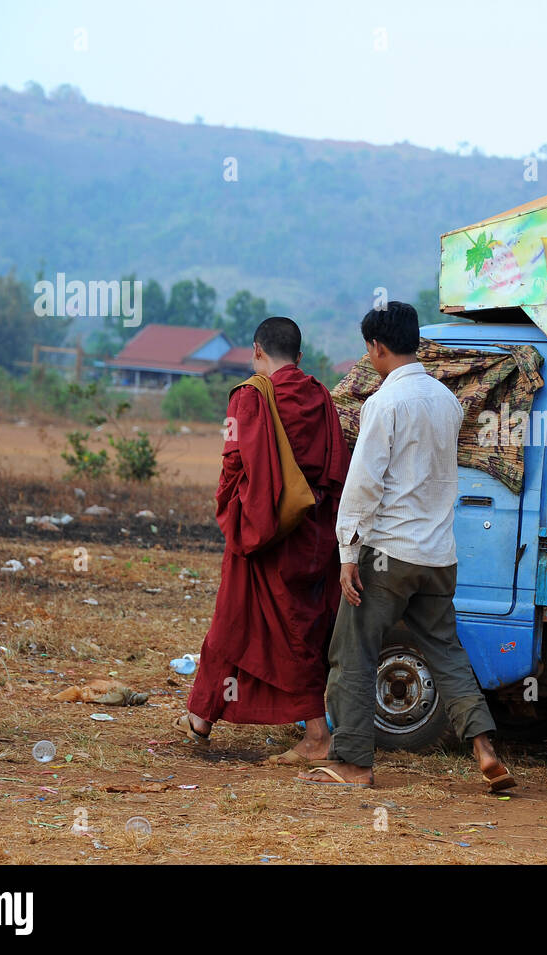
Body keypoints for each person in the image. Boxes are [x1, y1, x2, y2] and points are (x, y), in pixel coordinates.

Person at [301, 301, 516, 790]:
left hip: (388, 554)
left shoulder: (384, 403)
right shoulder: (448, 401)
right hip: (439, 556)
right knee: (446, 651)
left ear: (376, 348)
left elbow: (364, 484)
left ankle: (354, 763)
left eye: (368, 350)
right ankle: (484, 747)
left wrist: (348, 553)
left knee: (352, 651)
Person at [176, 317, 350, 764]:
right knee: (289, 630)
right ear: (301, 356)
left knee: (240, 624)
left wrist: (241, 517)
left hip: (264, 538)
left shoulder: (249, 396)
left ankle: (316, 734)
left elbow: (235, 463)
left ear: (257, 350)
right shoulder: (322, 398)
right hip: (310, 538)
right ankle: (202, 714)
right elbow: (336, 471)